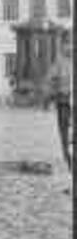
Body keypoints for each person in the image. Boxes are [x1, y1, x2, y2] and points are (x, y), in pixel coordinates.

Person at [47, 32, 72, 173]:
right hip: (64, 103)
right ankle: (70, 168)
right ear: (62, 45)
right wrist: (54, 92)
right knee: (65, 138)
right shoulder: (59, 61)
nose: (70, 46)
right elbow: (50, 79)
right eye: (67, 43)